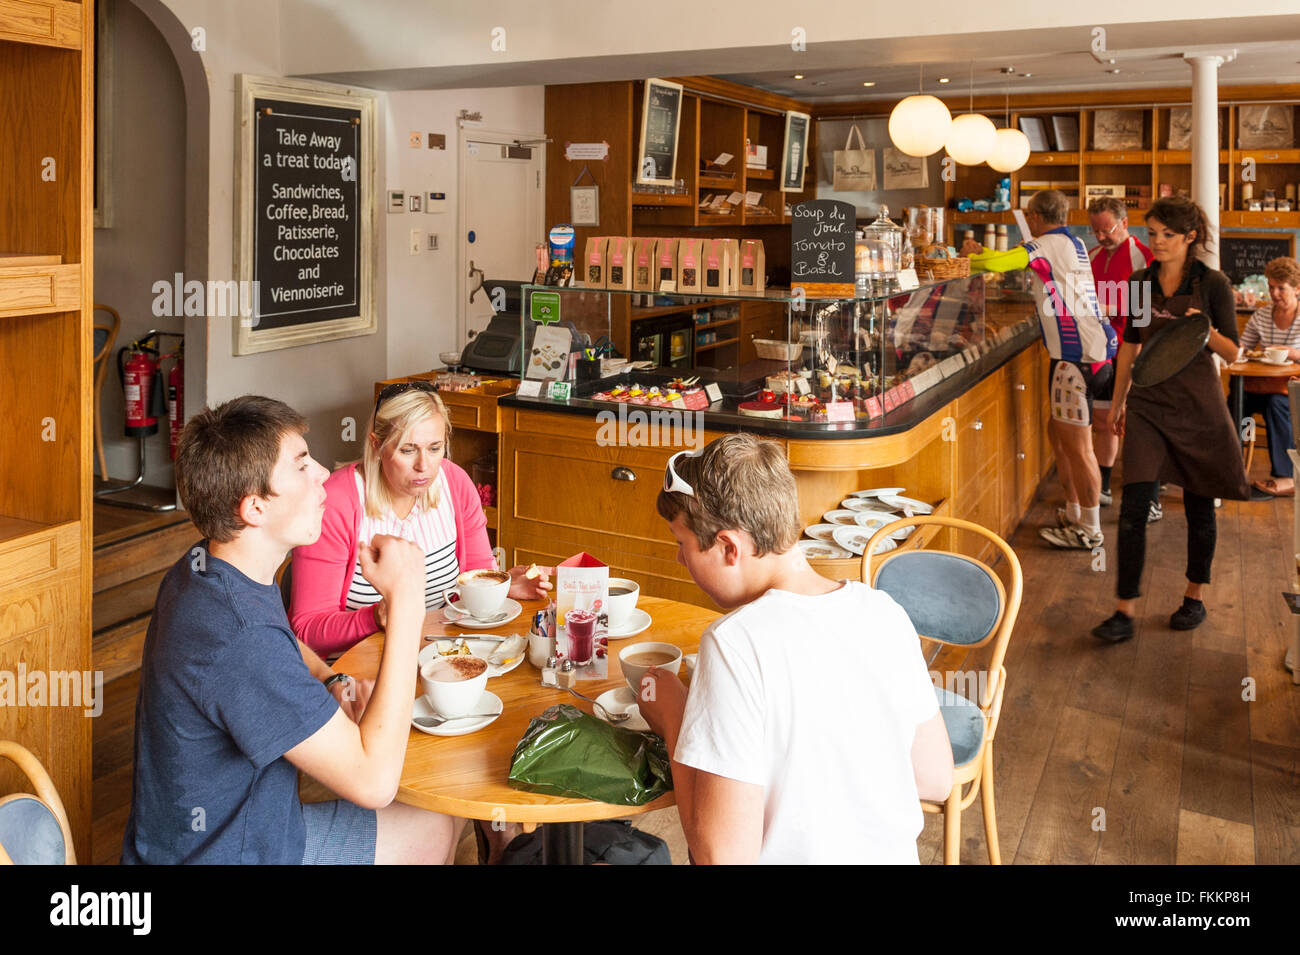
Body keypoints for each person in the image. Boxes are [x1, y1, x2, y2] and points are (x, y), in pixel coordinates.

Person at [122, 395, 460, 864]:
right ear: (255, 508)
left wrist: (331, 679)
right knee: (435, 825)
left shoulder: (204, 569)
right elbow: (374, 783)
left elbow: (279, 637)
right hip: (231, 853)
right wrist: (405, 602)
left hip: (195, 842)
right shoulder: (240, 639)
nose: (323, 473)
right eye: (302, 466)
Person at [637, 434, 954, 863]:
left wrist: (673, 718)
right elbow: (935, 779)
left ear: (730, 548)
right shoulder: (883, 612)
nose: (679, 559)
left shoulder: (735, 643)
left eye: (683, 544)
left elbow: (722, 857)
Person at [290, 381, 549, 656]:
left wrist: (502, 587)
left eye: (435, 448)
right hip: (359, 672)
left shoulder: (456, 483)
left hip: (442, 656)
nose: (423, 466)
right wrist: (377, 617)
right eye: (407, 449)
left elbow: (475, 575)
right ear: (377, 446)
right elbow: (307, 631)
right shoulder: (335, 503)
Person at [1092, 198, 1251, 643]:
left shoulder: (1213, 284)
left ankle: (1194, 596)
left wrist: (1205, 327)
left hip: (1198, 406)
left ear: (1190, 238)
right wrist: (1119, 401)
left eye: (1167, 234)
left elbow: (1233, 353)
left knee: (1200, 507)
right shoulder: (1141, 282)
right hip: (1148, 405)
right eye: (1152, 233)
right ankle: (1123, 611)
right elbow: (1130, 346)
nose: (1156, 242)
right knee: (1133, 507)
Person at [971, 190, 1118, 550]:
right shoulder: (1073, 242)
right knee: (1060, 436)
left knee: (1079, 448)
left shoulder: (1048, 242)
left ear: (1034, 216)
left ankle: (1090, 530)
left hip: (1074, 360)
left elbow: (995, 265)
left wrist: (971, 256)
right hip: (1099, 353)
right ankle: (1074, 513)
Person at [1086, 197, 1154, 509]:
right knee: (1103, 420)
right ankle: (1102, 486)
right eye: (1095, 231)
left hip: (1136, 351)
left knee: (1138, 425)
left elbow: (1144, 313)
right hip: (1101, 353)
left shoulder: (1143, 258)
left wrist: (1108, 307)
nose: (1100, 237)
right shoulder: (1092, 256)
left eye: (1107, 230)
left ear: (1124, 224)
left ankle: (1148, 498)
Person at [1238, 256, 1300, 499]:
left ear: (1297, 288)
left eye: (1280, 288)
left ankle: (1287, 477)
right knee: (1235, 404)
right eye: (1271, 286)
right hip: (1260, 385)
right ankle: (1232, 469)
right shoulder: (1262, 316)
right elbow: (1244, 347)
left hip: (1292, 389)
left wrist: (1293, 353)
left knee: (1277, 405)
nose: (1274, 293)